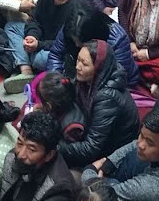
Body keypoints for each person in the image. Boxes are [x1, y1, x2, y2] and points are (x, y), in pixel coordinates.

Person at [60, 40, 140, 169]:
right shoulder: (90, 80)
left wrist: (56, 146)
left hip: (112, 149)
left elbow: (91, 148)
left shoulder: (107, 97)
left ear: (98, 68)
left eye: (84, 64)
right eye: (78, 60)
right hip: (98, 135)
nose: (77, 67)